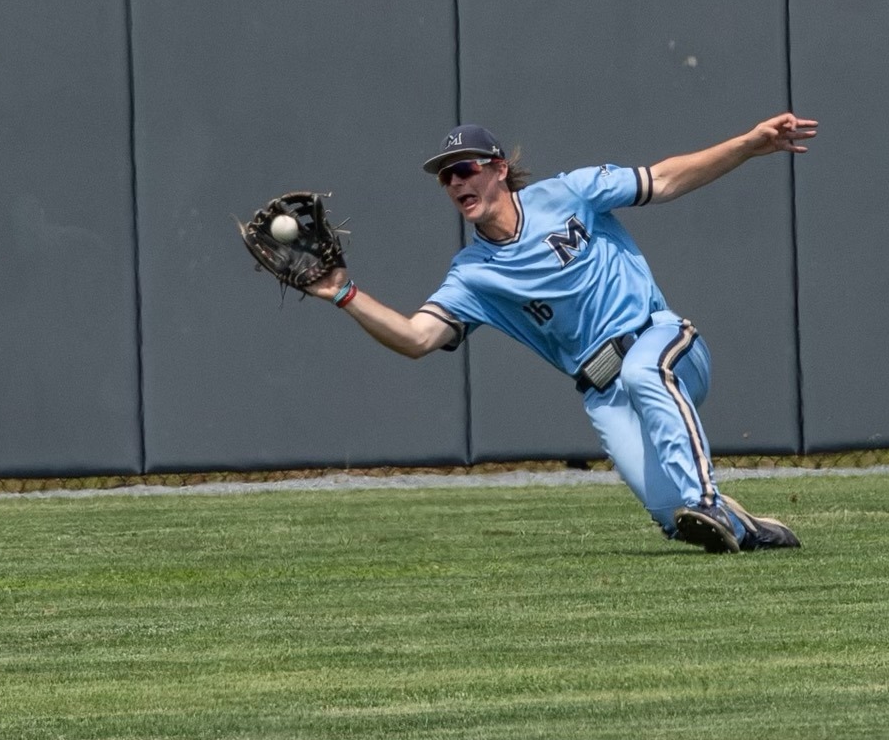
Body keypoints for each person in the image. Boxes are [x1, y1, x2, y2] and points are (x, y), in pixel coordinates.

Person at [306, 113, 818, 553]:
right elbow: (416, 338)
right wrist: (343, 293)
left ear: (499, 169)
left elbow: (662, 179)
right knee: (674, 517)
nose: (456, 182)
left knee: (645, 375)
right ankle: (747, 529)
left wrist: (747, 145)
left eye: (466, 168)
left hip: (662, 342)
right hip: (603, 392)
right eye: (446, 177)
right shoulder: (473, 274)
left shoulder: (569, 192)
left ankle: (708, 499)